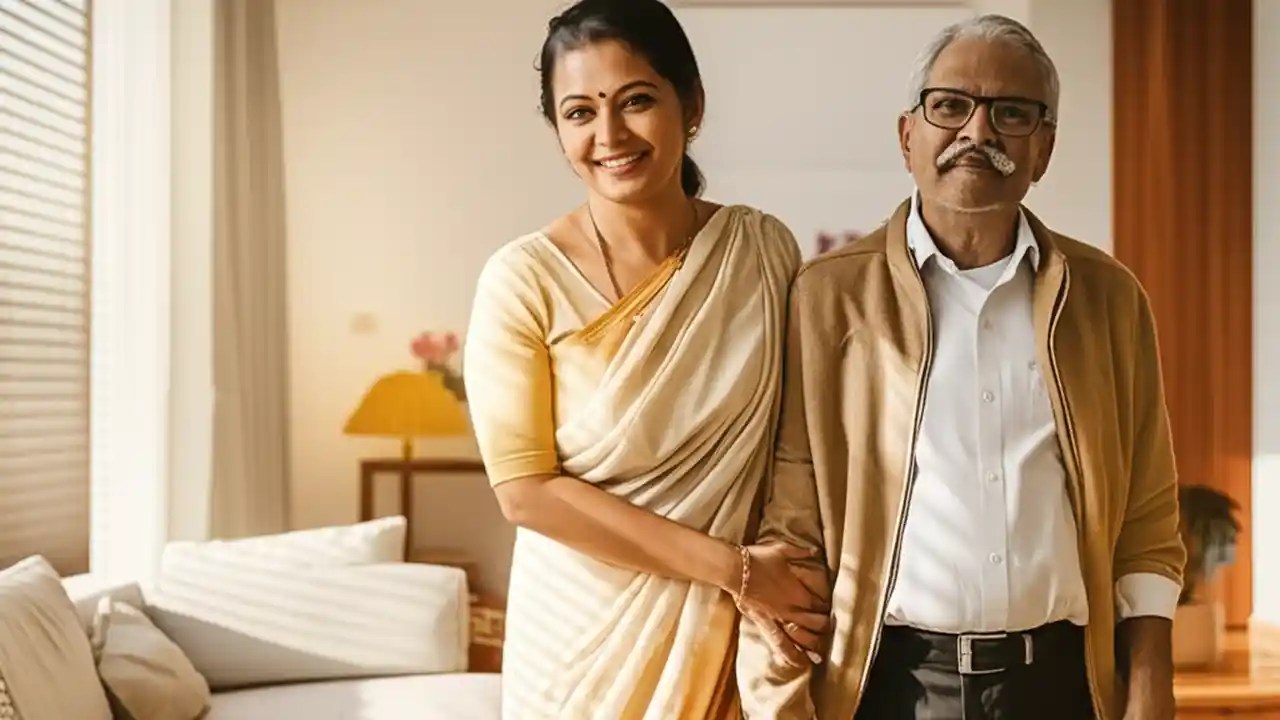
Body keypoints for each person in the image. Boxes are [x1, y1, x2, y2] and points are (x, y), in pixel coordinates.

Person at [737, 14, 1185, 720]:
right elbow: (792, 528)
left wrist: (1152, 684)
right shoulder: (826, 298)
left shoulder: (1108, 298)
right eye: (951, 106)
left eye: (1012, 114)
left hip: (1064, 688)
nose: (979, 133)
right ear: (907, 135)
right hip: (893, 689)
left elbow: (1149, 517)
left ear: (1044, 148)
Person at [462, 1, 825, 717]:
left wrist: (778, 576)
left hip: (725, 632)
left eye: (636, 101)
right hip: (579, 643)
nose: (610, 135)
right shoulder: (521, 280)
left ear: (691, 105)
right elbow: (525, 492)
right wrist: (737, 571)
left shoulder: (759, 251)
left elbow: (794, 437)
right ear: (558, 130)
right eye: (579, 113)